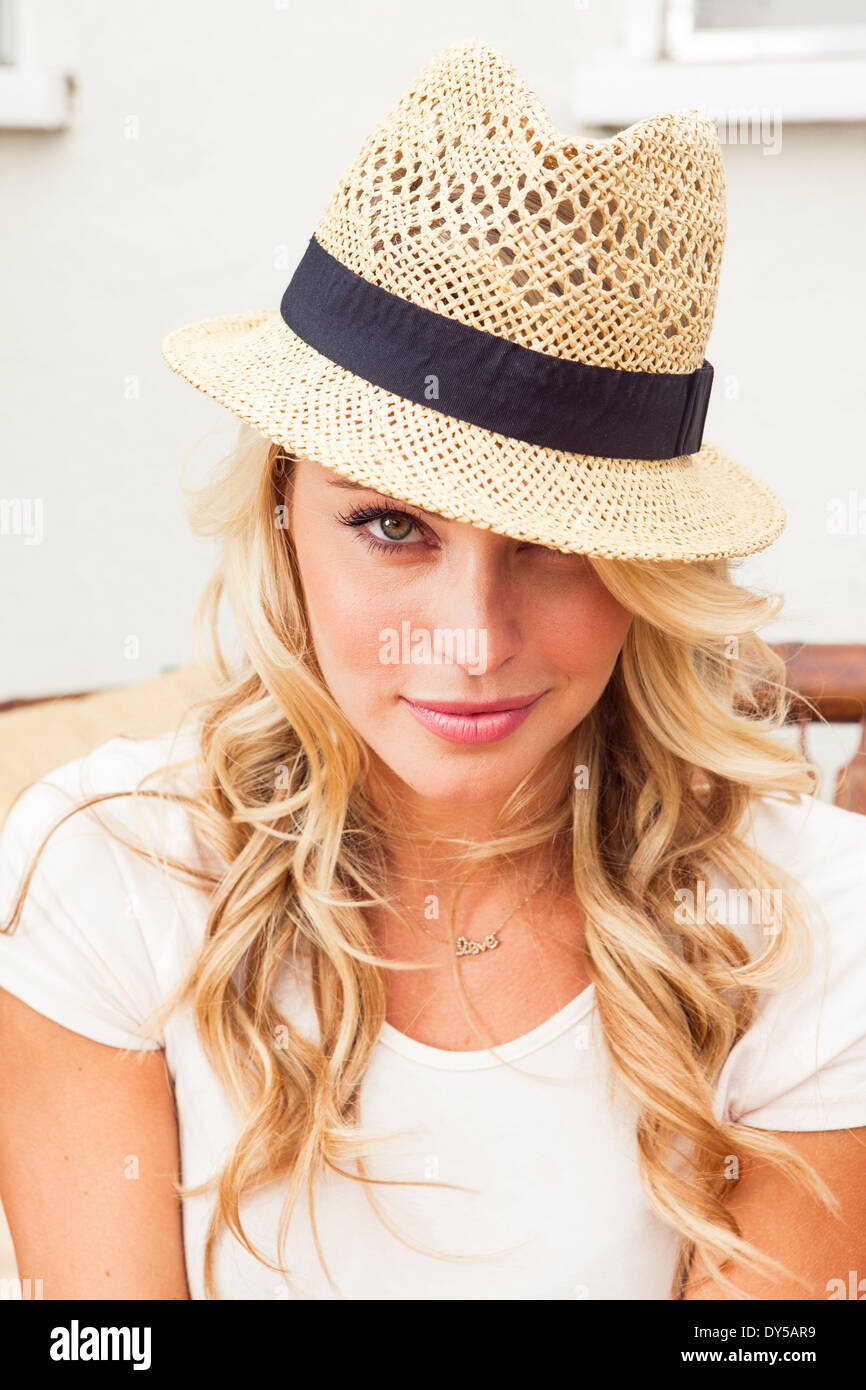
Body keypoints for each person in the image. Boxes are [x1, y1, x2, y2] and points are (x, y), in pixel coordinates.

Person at [1, 37, 865, 1302]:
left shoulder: (809, 923)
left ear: (644, 569)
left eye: (554, 546)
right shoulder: (110, 870)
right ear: (285, 514)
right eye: (392, 526)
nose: (470, 637)